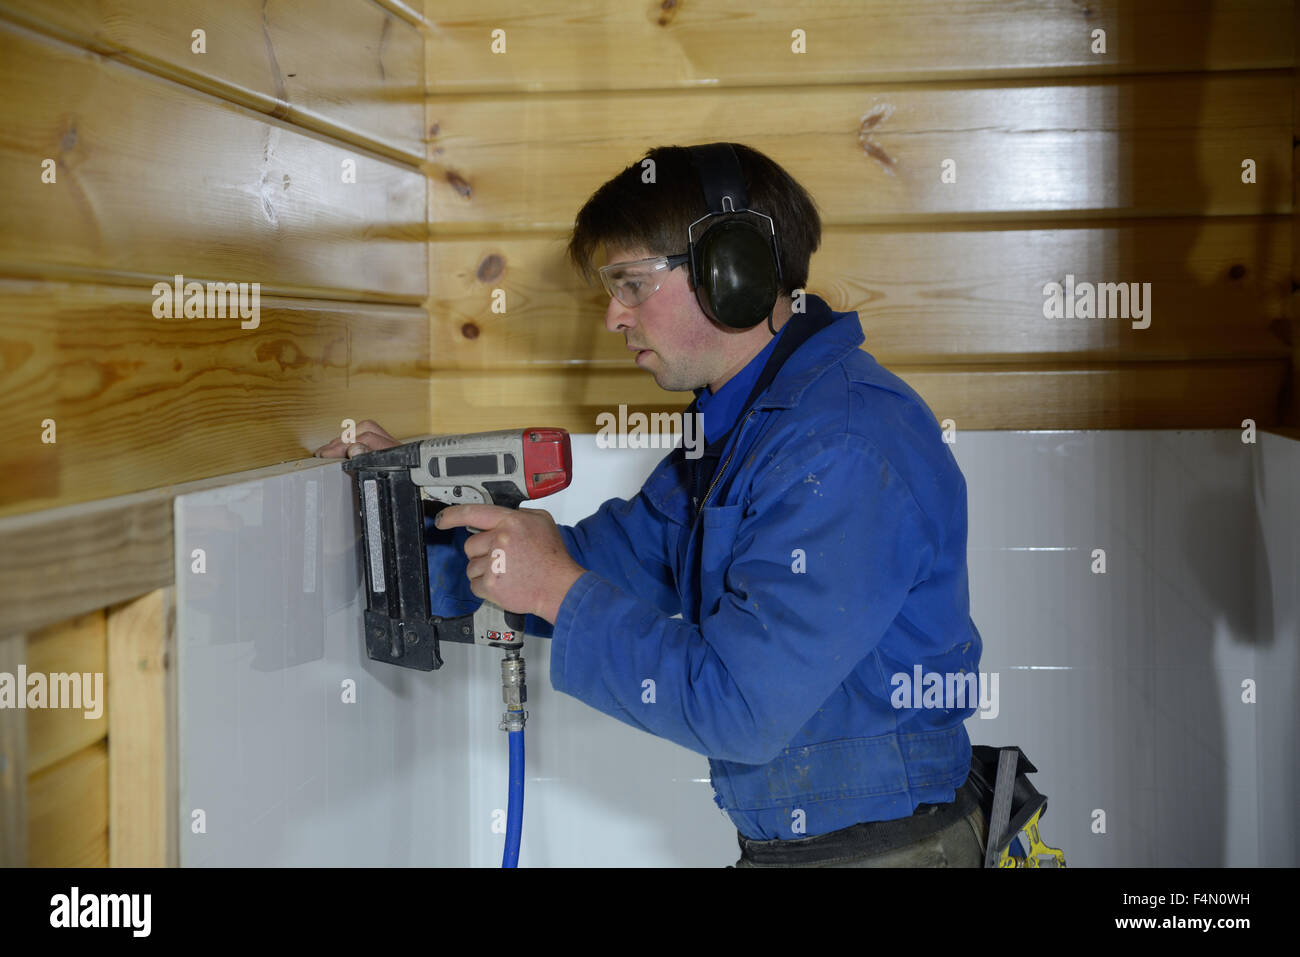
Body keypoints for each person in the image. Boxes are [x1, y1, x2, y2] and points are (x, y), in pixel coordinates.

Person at [317, 143, 987, 867]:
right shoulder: (743, 430)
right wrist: (406, 508)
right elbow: (598, 561)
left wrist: (554, 587)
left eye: (632, 284)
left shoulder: (840, 446)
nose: (614, 316)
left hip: (895, 853)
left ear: (732, 272)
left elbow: (740, 706)